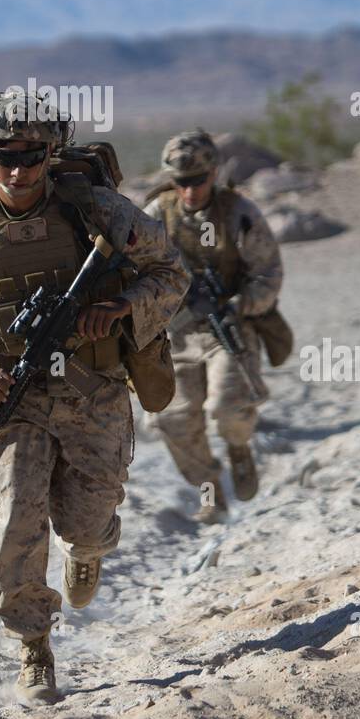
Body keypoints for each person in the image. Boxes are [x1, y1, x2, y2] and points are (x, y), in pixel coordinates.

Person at [0, 89, 187, 704]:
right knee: (16, 518)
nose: (18, 170)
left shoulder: (99, 213)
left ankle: (88, 546)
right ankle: (34, 650)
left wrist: (122, 307)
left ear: (51, 153)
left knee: (85, 520)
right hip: (18, 401)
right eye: (4, 155)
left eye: (32, 156)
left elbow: (171, 272)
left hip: (94, 394)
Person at [144, 129, 283, 523]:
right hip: (175, 333)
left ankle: (239, 448)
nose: (189, 192)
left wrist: (241, 304)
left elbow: (269, 271)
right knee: (172, 420)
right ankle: (211, 492)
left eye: (198, 181)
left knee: (227, 408)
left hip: (228, 327)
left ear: (215, 173)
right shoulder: (157, 215)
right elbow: (133, 265)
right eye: (181, 183)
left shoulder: (239, 213)